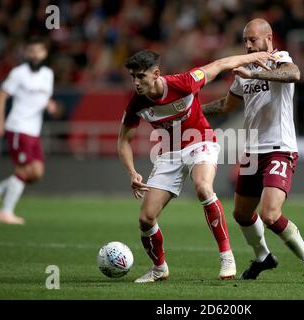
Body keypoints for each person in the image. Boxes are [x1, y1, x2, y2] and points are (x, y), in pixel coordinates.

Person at [118, 49, 276, 283]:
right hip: (169, 153)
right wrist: (132, 172)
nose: (136, 82)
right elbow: (123, 141)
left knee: (203, 187)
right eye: (133, 77)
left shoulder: (184, 82)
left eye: (140, 76)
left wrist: (255, 56)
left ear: (156, 74)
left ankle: (226, 255)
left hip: (200, 141)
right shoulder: (136, 104)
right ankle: (159, 268)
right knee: (146, 218)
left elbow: (221, 64)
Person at [202, 18, 304, 284]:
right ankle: (263, 257)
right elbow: (226, 105)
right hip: (252, 151)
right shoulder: (243, 68)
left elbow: (294, 75)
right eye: (245, 40)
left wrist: (255, 73)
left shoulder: (280, 59)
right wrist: (195, 111)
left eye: (253, 40)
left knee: (270, 214)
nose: (247, 45)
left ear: (268, 39)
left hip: (279, 149)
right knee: (241, 214)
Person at [0, 37, 56, 225]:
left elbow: (42, 96)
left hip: (34, 130)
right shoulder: (18, 73)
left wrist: (49, 104)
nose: (35, 55)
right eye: (31, 51)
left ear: (45, 54)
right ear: (26, 54)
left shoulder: (48, 74)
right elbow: (1, 96)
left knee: (37, 173)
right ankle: (6, 212)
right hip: (18, 127)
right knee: (24, 169)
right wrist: (0, 122)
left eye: (38, 51)